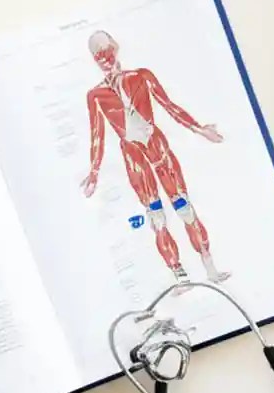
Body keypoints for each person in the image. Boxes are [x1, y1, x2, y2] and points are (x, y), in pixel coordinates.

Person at [80, 30, 229, 284]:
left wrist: (198, 128)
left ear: (115, 47)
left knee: (184, 207)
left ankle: (210, 267)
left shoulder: (141, 76)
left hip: (156, 145)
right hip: (133, 155)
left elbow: (168, 105)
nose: (103, 58)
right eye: (97, 55)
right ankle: (179, 275)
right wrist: (94, 172)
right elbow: (97, 134)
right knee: (157, 216)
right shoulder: (95, 95)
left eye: (106, 51)